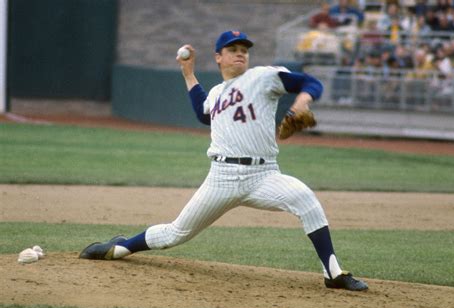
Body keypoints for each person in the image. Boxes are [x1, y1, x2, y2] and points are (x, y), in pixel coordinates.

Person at [78, 30, 368, 292]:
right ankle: (120, 248)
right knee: (175, 234)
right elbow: (203, 114)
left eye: (244, 48)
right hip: (222, 177)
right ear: (219, 58)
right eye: (232, 49)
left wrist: (302, 101)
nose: (240, 52)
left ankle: (333, 273)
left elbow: (309, 81)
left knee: (306, 199)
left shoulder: (263, 77)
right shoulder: (216, 93)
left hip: (265, 175)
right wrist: (188, 73)